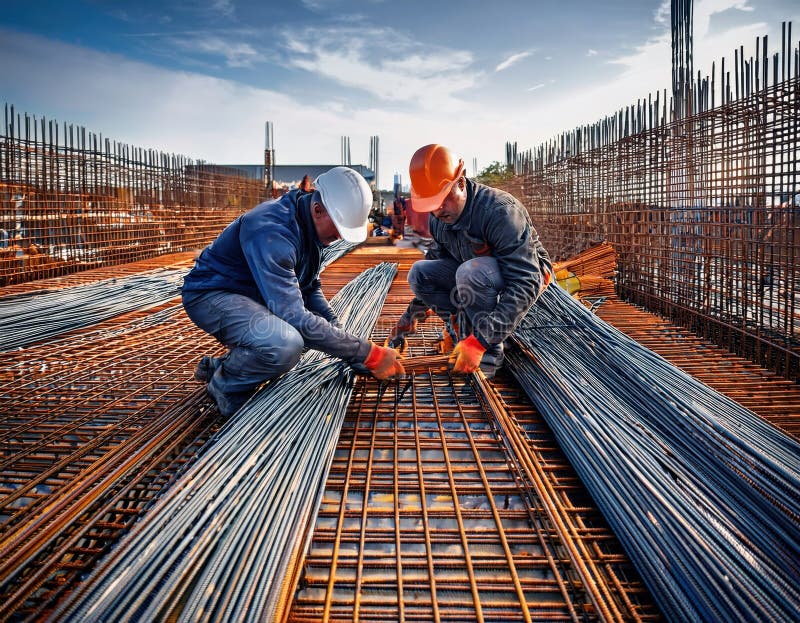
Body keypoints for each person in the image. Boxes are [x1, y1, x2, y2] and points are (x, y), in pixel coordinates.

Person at [182, 166, 405, 416]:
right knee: (285, 342)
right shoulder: (272, 231)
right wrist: (366, 352)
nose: (338, 238)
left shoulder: (307, 225)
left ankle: (224, 367)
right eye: (338, 230)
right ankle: (226, 386)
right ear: (318, 210)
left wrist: (341, 337)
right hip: (212, 295)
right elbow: (296, 318)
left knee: (320, 333)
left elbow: (308, 287)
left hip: (255, 294)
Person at [388, 144, 552, 378]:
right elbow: (435, 265)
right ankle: (462, 333)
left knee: (470, 272)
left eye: (443, 200)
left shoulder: (499, 212)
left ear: (461, 183)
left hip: (527, 274)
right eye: (432, 205)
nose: (437, 211)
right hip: (478, 272)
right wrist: (406, 322)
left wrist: (482, 341)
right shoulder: (439, 219)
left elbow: (526, 281)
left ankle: (487, 356)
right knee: (420, 273)